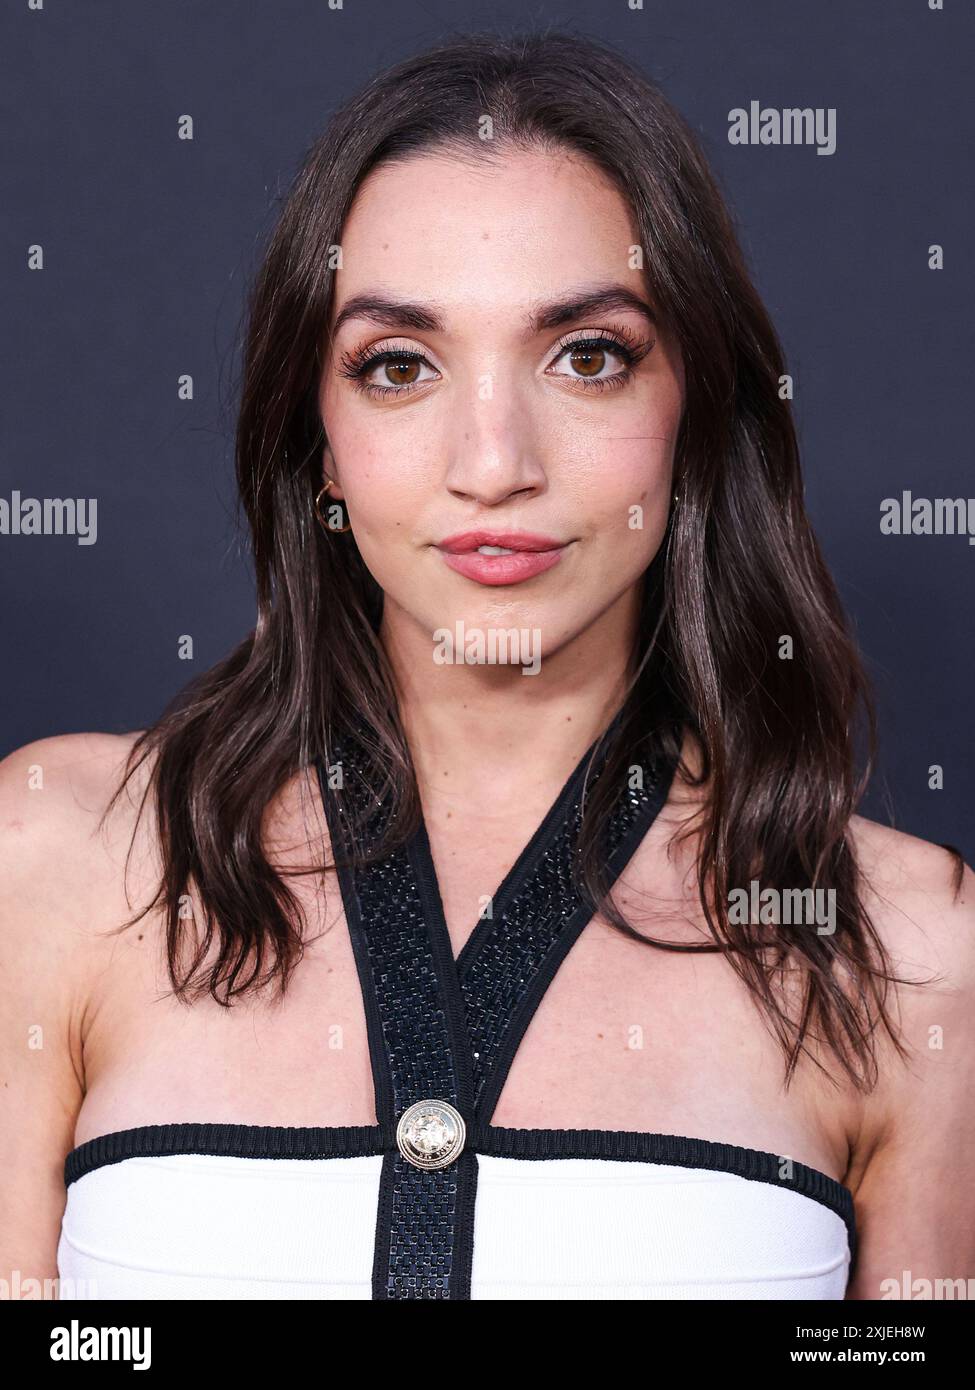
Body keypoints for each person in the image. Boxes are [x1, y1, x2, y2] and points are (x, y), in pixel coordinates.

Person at [1, 29, 972, 1302]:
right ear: (320, 436)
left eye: (588, 355)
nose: (495, 460)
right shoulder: (60, 859)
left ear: (698, 408)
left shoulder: (913, 951)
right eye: (400, 366)